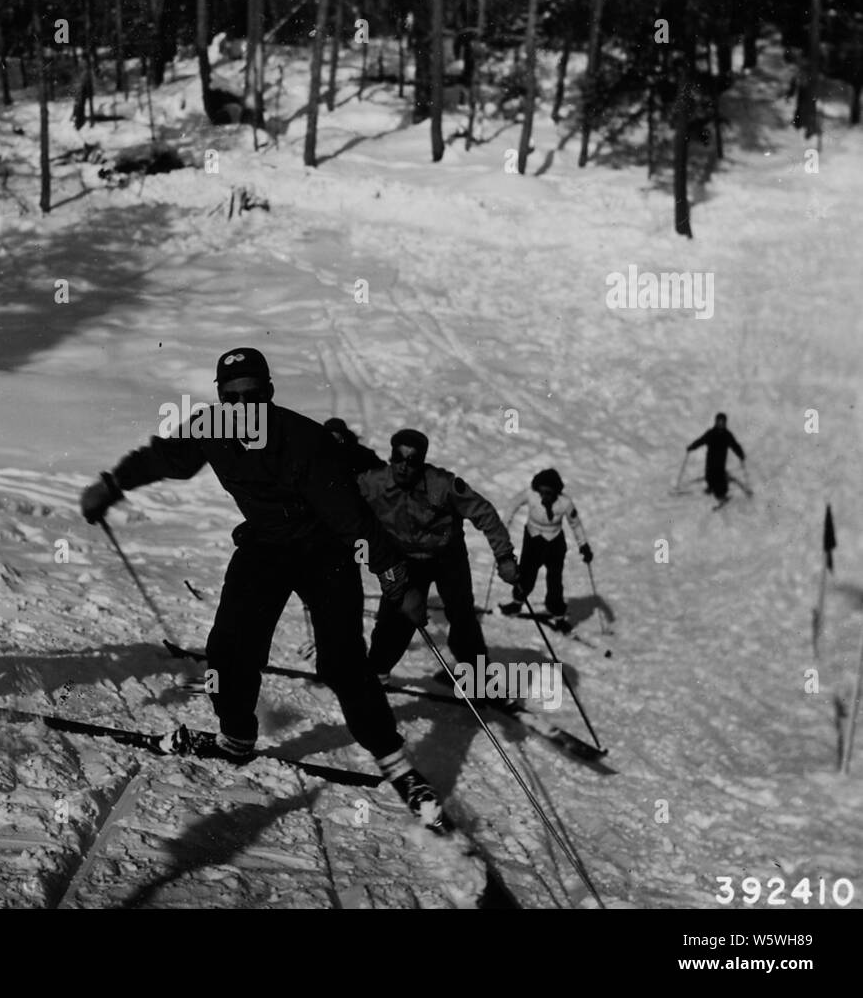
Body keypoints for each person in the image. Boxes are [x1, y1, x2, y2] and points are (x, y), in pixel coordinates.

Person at [79, 348, 445, 828]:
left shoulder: (305, 441)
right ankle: (236, 738)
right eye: (231, 397)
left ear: (269, 394)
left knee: (342, 663)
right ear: (220, 398)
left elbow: (351, 520)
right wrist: (113, 482)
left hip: (326, 552)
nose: (241, 407)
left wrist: (396, 579)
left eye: (252, 396)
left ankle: (399, 767)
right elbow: (166, 457)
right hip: (266, 548)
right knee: (229, 650)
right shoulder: (212, 427)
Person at [358, 429, 519, 689]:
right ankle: (376, 673)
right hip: (405, 559)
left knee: (462, 617)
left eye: (412, 461)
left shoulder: (442, 484)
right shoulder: (373, 483)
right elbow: (340, 502)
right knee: (394, 619)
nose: (403, 467)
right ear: (390, 456)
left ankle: (478, 679)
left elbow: (484, 513)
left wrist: (504, 556)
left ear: (421, 462)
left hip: (447, 557)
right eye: (398, 458)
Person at [499, 468, 592, 634]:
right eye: (542, 491)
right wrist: (503, 527)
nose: (544, 496)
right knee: (526, 574)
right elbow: (513, 504)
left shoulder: (565, 503)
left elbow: (575, 524)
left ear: (556, 491)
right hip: (533, 540)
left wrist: (583, 544)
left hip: (555, 543)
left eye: (548, 492)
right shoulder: (530, 495)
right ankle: (517, 602)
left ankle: (558, 616)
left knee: (554, 580)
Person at [686, 413, 747, 502]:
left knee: (719, 478)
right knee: (709, 475)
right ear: (716, 422)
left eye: (723, 422)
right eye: (719, 422)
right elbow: (700, 441)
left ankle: (721, 495)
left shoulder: (727, 435)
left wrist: (740, 454)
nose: (721, 424)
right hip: (710, 460)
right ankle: (711, 487)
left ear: (725, 423)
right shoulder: (710, 433)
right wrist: (692, 447)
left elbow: (735, 445)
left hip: (720, 462)